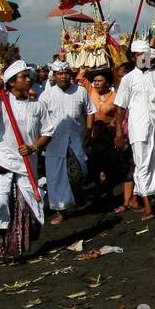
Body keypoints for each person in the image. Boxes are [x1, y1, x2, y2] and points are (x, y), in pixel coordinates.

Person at [0, 60, 48, 262]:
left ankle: (19, 243)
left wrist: (34, 147)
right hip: (1, 159)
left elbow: (47, 132)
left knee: (32, 206)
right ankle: (2, 242)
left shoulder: (38, 105)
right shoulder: (1, 102)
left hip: (26, 163)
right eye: (23, 77)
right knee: (0, 201)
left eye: (29, 76)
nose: (28, 80)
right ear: (11, 83)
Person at [114, 41, 155, 219]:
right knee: (142, 163)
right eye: (141, 56)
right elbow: (120, 108)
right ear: (134, 57)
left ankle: (144, 196)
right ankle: (147, 204)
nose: (145, 59)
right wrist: (118, 132)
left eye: (147, 56)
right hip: (138, 126)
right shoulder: (128, 79)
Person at [38, 64, 92, 223]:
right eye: (59, 73)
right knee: (55, 177)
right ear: (53, 76)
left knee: (78, 173)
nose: (63, 76)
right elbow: (40, 120)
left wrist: (88, 131)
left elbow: (90, 112)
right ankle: (61, 211)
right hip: (54, 142)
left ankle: (78, 198)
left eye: (66, 73)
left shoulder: (80, 91)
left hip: (76, 139)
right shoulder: (46, 95)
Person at [85, 69, 124, 209]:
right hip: (93, 134)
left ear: (107, 83)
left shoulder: (115, 96)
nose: (96, 83)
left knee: (109, 164)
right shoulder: (90, 94)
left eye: (99, 81)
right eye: (94, 81)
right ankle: (98, 188)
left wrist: (114, 121)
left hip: (109, 134)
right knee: (94, 164)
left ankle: (109, 192)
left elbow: (121, 113)